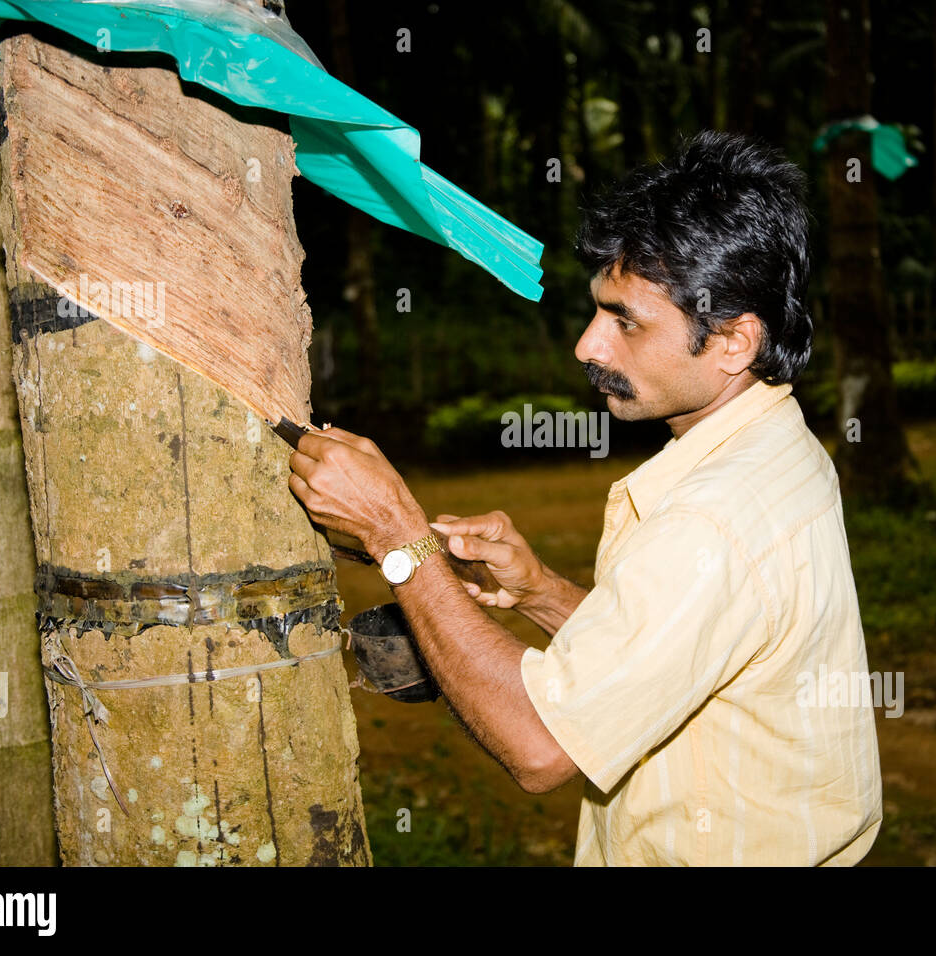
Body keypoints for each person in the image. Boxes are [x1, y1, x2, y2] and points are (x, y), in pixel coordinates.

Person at [288, 129, 882, 866]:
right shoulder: (778, 450)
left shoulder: (711, 521)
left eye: (625, 319)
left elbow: (540, 747)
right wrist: (538, 592)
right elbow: (677, 649)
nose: (588, 345)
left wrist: (395, 535)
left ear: (733, 341)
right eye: (598, 309)